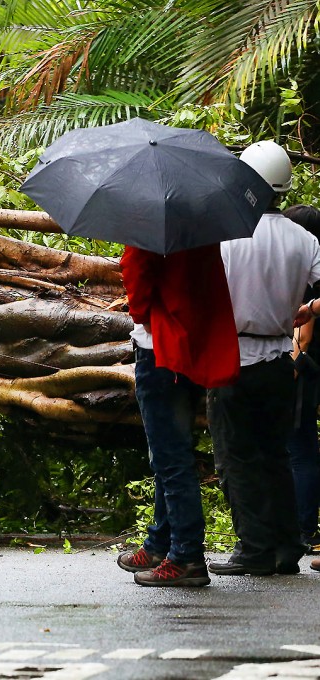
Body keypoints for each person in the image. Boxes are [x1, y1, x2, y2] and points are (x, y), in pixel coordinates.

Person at [208, 140, 320, 577]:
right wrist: (309, 309)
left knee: (237, 458)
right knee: (275, 454)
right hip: (280, 360)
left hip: (232, 359)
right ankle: (286, 547)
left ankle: (254, 549)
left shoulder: (226, 235)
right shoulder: (304, 239)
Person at [115, 242, 240, 587]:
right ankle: (159, 543)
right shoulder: (201, 230)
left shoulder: (147, 230)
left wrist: (140, 311)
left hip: (160, 350)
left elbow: (136, 280)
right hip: (189, 346)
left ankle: (186, 557)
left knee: (170, 459)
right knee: (173, 454)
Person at [283, 205, 320, 553]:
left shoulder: (308, 280)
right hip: (313, 370)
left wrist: (290, 368)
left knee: (300, 449)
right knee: (304, 449)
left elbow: (303, 337)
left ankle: (304, 529)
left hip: (304, 371)